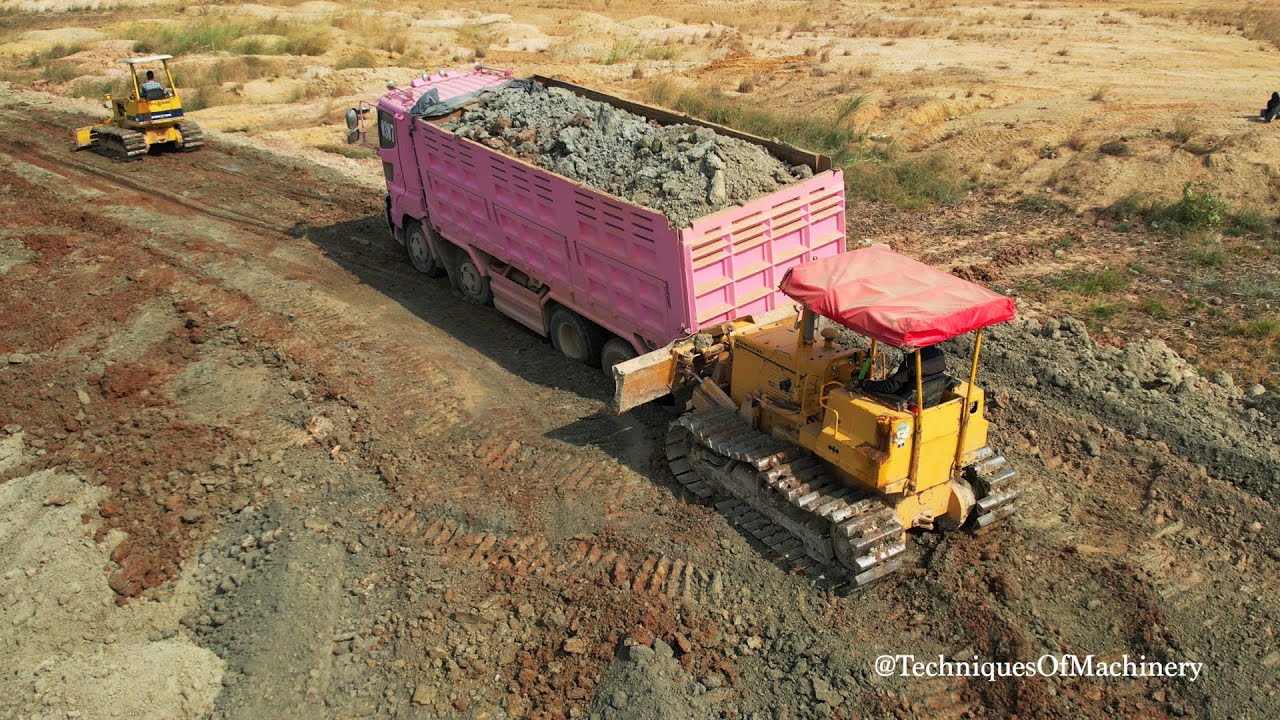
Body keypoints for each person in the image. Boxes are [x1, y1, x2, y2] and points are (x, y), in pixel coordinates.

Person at [861, 346, 946, 399]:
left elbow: (890, 387)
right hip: (930, 397)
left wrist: (867, 383)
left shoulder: (912, 362)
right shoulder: (939, 354)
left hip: (905, 399)